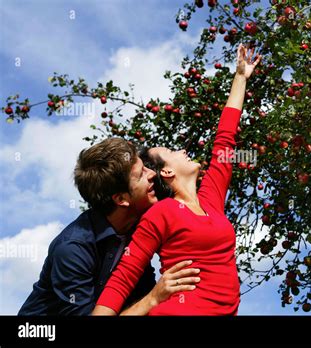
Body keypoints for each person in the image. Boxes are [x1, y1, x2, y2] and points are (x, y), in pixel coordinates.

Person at [93, 44, 261, 315]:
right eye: (172, 152)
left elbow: (225, 139)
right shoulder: (161, 213)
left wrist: (240, 77)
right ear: (167, 173)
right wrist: (149, 301)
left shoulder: (211, 200)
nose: (183, 150)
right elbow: (123, 278)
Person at [18, 138, 200, 315]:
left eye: (146, 167)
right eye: (141, 175)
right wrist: (153, 298)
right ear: (121, 199)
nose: (152, 174)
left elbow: (139, 293)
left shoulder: (138, 228)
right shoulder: (73, 249)